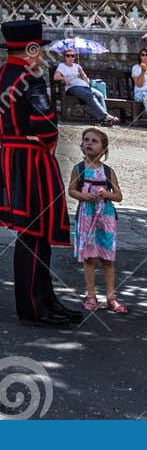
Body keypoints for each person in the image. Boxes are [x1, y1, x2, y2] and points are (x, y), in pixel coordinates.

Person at [0, 17, 80, 327]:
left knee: (32, 235)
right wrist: (48, 140)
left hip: (10, 154)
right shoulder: (31, 81)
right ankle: (33, 305)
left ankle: (45, 298)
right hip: (32, 160)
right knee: (34, 235)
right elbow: (45, 123)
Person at [68, 127, 127, 314]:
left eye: (94, 141)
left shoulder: (108, 172)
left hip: (105, 218)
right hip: (87, 216)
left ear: (104, 149)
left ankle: (111, 297)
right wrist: (83, 196)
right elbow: (71, 190)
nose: (89, 143)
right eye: (86, 140)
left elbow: (119, 196)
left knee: (107, 258)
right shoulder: (78, 169)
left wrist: (107, 194)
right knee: (90, 257)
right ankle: (91, 295)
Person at [53, 47, 117, 127]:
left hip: (84, 86)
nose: (70, 57)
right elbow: (55, 77)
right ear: (65, 57)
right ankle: (105, 116)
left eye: (72, 56)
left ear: (75, 57)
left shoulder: (77, 66)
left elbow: (84, 76)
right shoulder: (62, 66)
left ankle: (104, 120)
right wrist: (64, 78)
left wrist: (85, 78)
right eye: (68, 55)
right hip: (72, 87)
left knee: (100, 95)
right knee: (88, 95)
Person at [132, 47, 147, 121]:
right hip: (140, 93)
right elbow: (139, 85)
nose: (144, 57)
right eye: (143, 55)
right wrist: (143, 72)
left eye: (146, 55)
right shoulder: (136, 68)